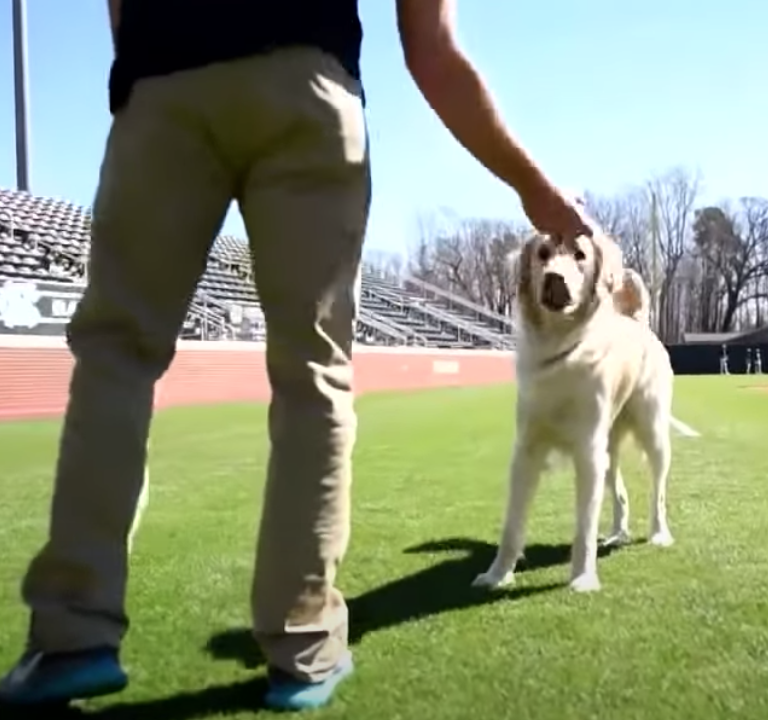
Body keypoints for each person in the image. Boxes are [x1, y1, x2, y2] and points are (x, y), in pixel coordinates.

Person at [0, 0, 593, 712]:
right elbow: (430, 47)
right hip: (307, 81)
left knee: (114, 358)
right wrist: (533, 186)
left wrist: (157, 63)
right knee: (314, 372)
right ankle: (304, 643)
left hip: (165, 82)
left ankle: (72, 635)